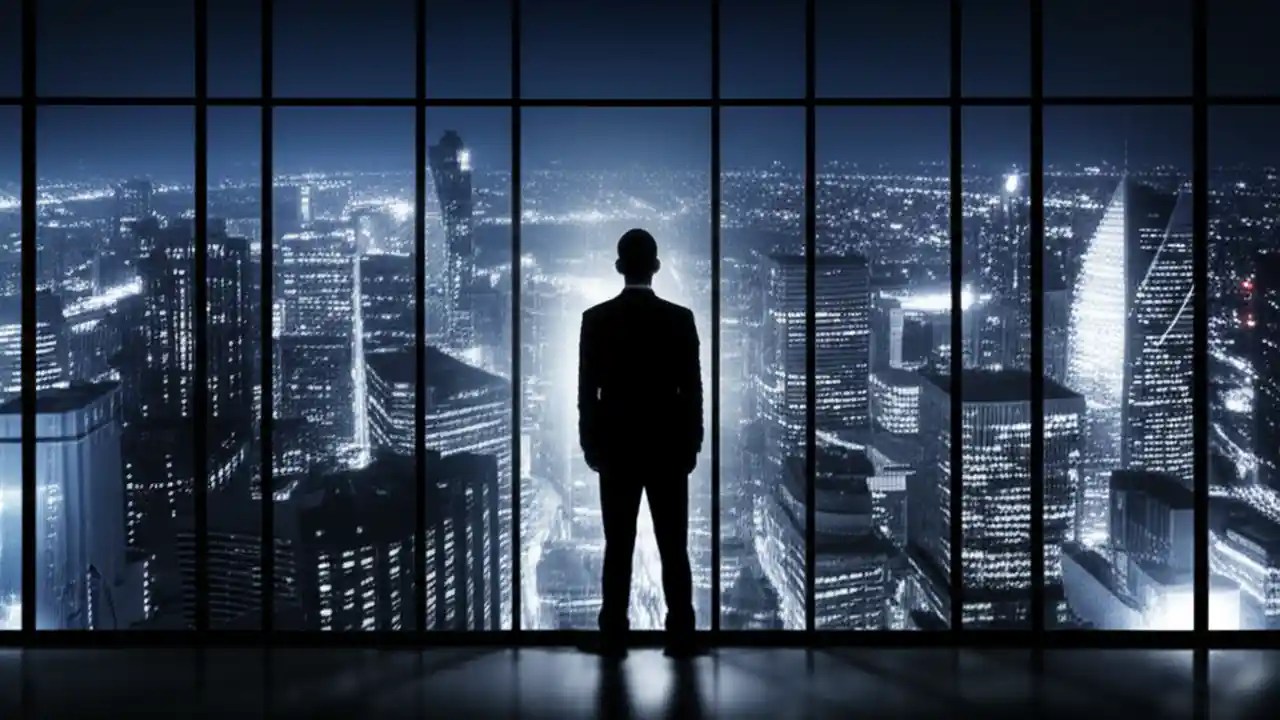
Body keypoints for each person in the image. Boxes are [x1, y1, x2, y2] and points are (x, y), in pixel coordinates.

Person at [578, 228, 703, 659]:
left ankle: (613, 632)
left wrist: (590, 446)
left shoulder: (595, 320)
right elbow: (692, 391)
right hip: (668, 449)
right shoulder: (680, 319)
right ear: (656, 267)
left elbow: (586, 393)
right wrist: (692, 446)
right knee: (674, 546)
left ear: (619, 266)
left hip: (616, 450)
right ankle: (681, 633)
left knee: (618, 546)